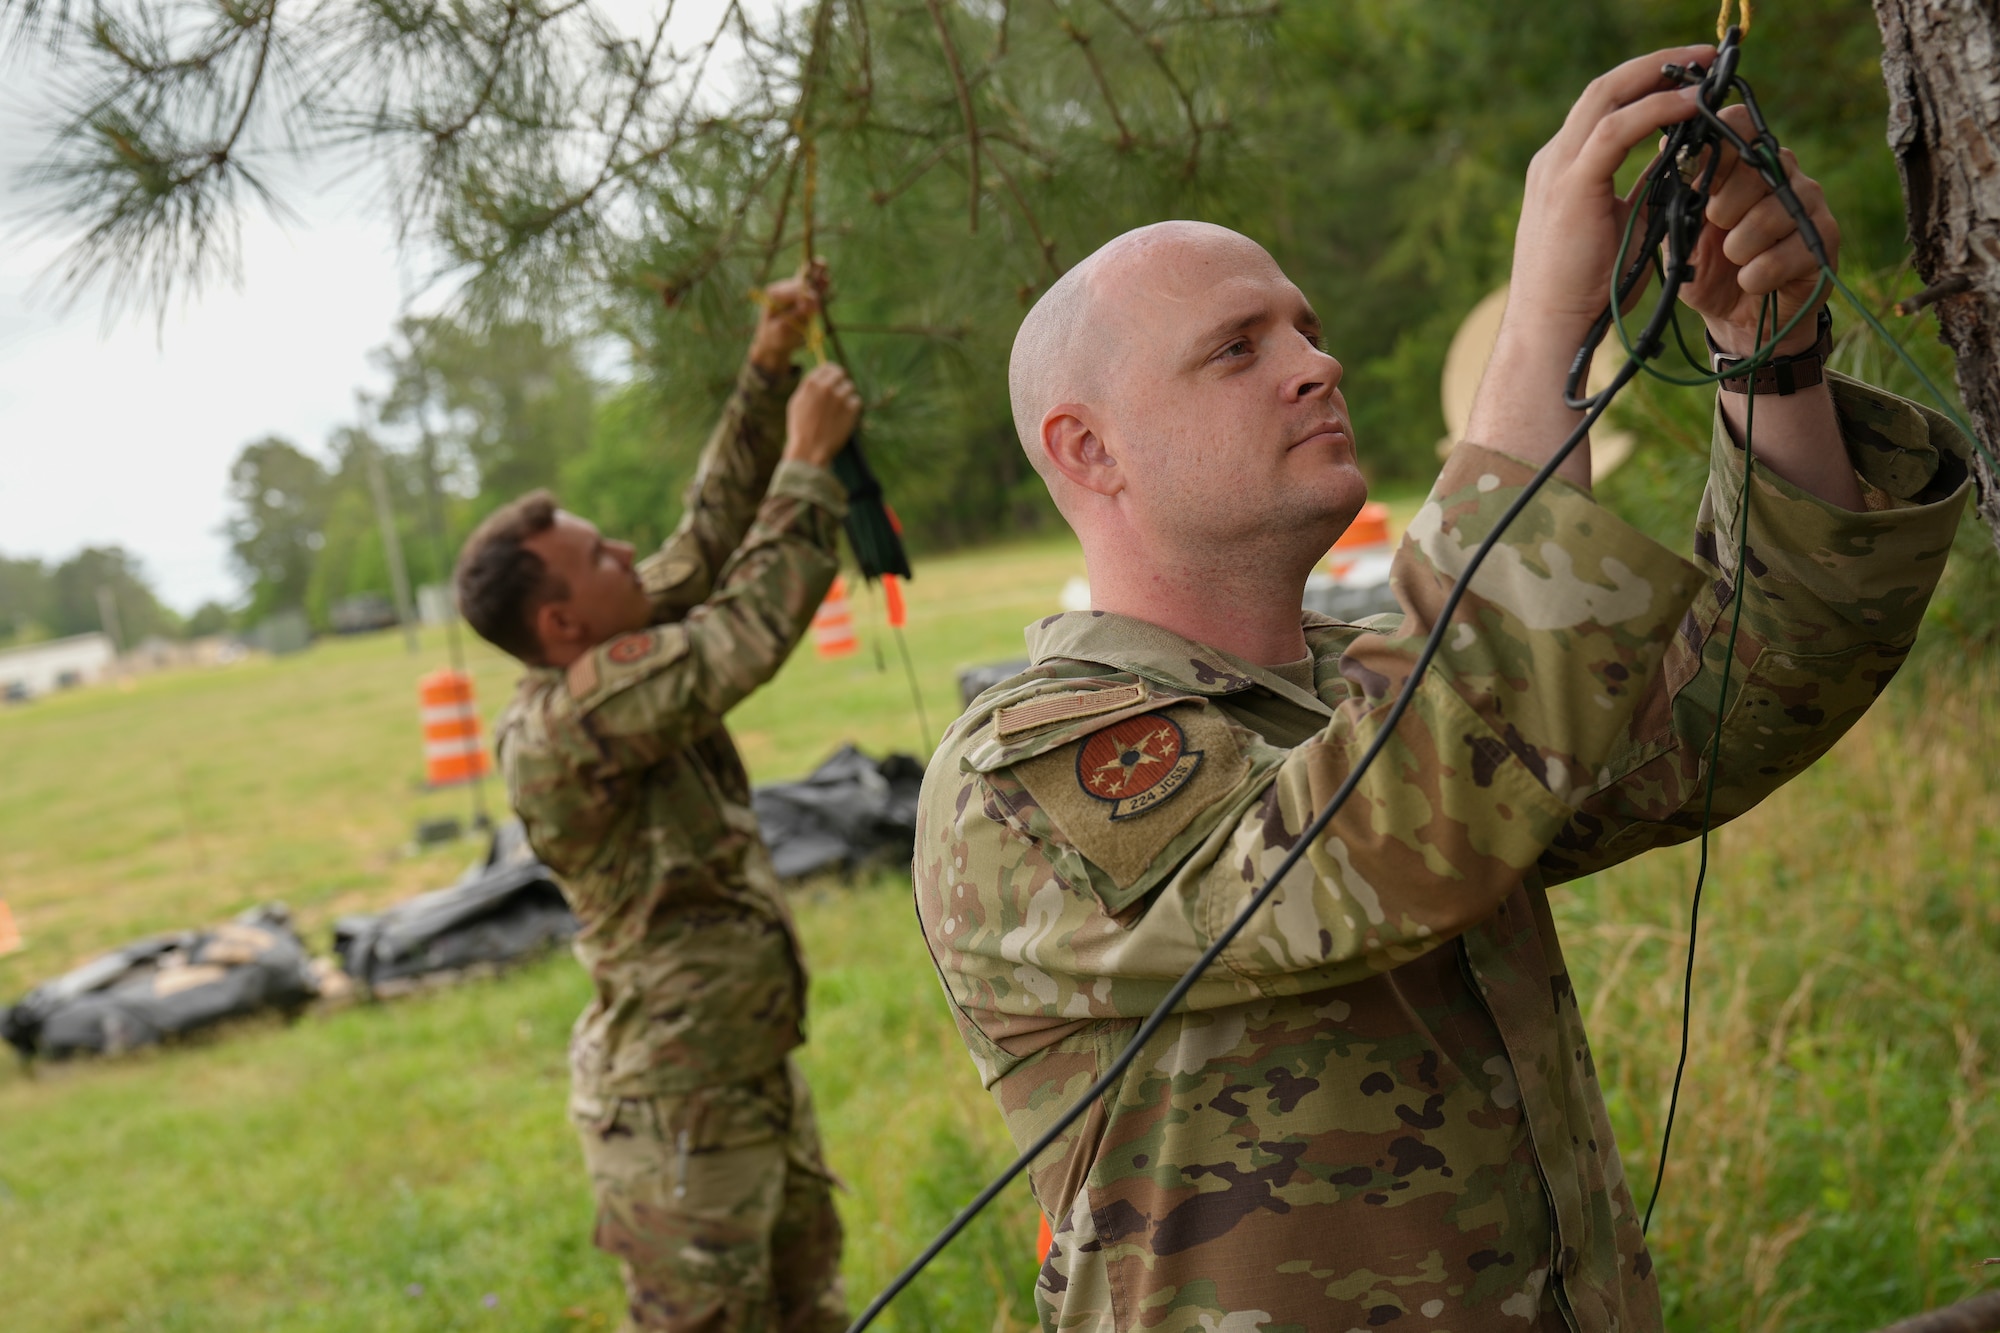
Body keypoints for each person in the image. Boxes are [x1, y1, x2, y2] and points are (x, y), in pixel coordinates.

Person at [912, 47, 1970, 1332]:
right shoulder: (1019, 772)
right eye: (1235, 349)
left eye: (1304, 327)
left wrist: (1763, 355)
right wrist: (1539, 336)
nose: (1313, 364)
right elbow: (1396, 826)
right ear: (1088, 447)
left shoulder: (1355, 698)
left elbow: (1744, 693)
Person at [454, 266, 862, 1333]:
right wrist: (808, 466)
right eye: (598, 555)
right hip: (677, 1118)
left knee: (806, 1309)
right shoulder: (566, 723)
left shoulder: (611, 651)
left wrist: (765, 370)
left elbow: (704, 541)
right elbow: (741, 633)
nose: (628, 552)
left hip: (740, 1080)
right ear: (558, 625)